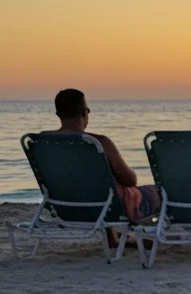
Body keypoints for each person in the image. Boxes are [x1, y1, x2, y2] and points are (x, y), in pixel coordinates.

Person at [49, 89, 158, 225]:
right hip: (108, 208)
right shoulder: (99, 142)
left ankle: (113, 239)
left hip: (65, 207)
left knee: (99, 187)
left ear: (58, 114)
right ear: (85, 112)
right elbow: (130, 180)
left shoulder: (43, 142)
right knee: (159, 192)